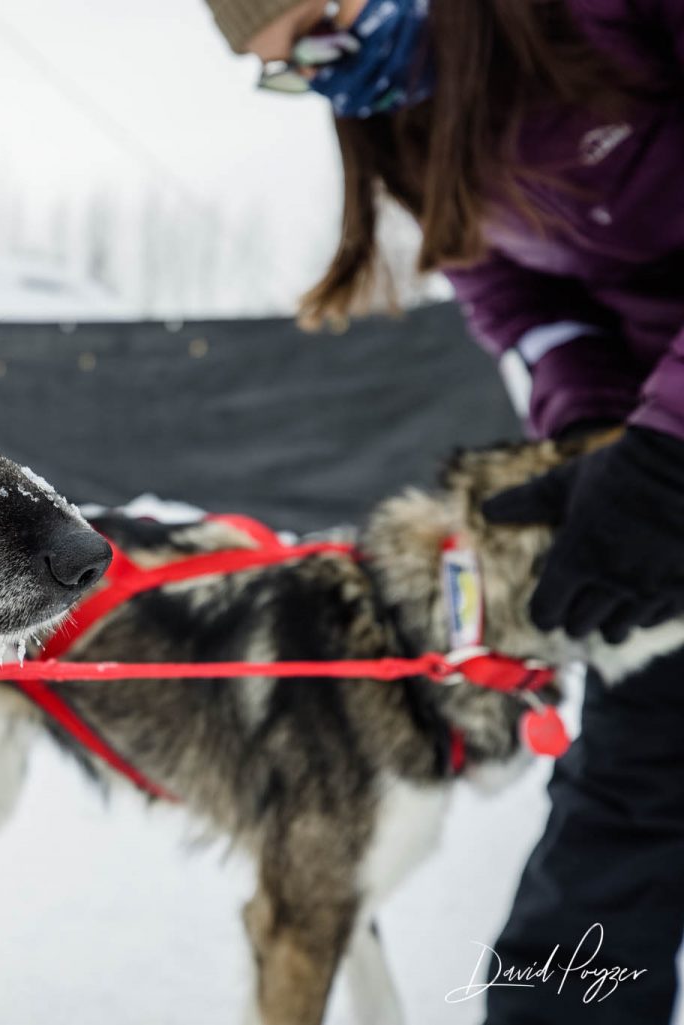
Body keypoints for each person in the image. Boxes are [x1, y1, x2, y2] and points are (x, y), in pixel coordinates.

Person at [201, 1, 684, 1021]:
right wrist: (596, 448)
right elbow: (519, 303)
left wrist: (661, 456)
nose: (327, 73)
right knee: (635, 776)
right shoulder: (417, 112)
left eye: (318, 26)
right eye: (290, 68)